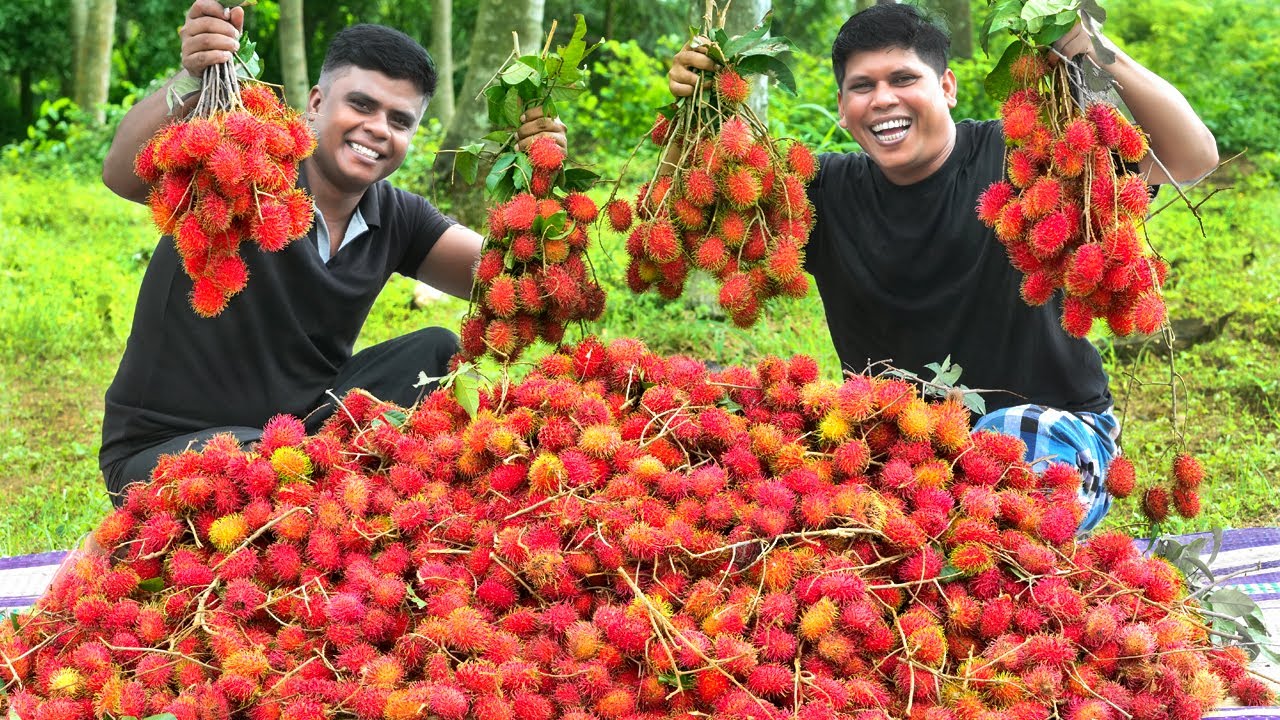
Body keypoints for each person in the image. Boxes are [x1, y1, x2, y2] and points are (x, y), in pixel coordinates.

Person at [668, 4, 1218, 532]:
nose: (883, 99)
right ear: (841, 107)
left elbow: (1193, 157)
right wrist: (691, 112)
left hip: (1048, 439)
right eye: (862, 87)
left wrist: (1090, 47)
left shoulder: (1026, 161)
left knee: (1007, 457)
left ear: (947, 87)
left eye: (903, 79)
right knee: (769, 478)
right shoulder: (818, 196)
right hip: (904, 461)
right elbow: (686, 224)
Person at [98, 0, 565, 506]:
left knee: (436, 351)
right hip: (170, 450)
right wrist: (191, 78)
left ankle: (341, 499)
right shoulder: (244, 172)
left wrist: (538, 183)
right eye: (361, 105)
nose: (379, 128)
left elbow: (521, 287)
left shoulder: (399, 218)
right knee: (272, 478)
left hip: (297, 445)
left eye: (400, 121)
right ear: (316, 104)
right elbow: (122, 174)